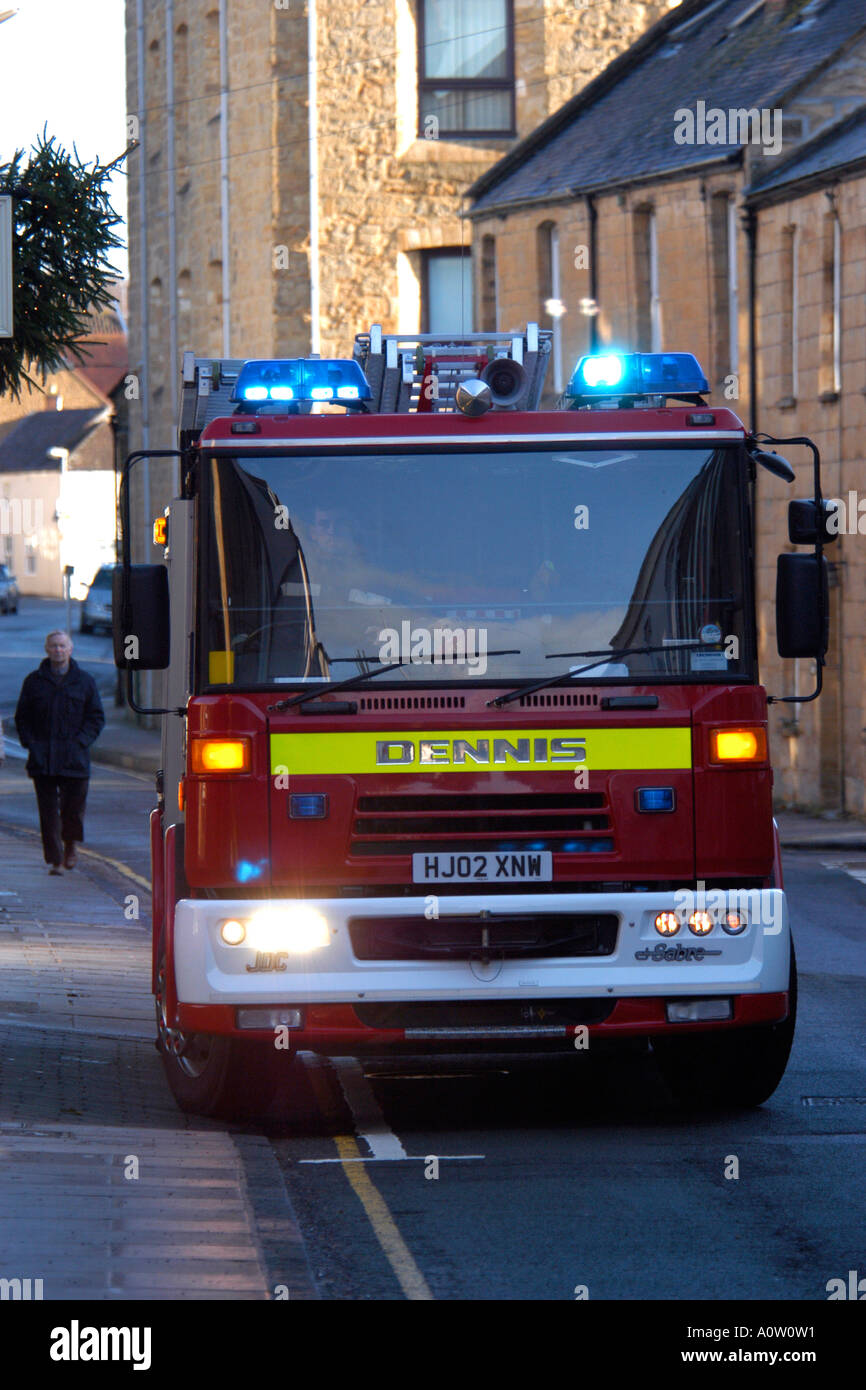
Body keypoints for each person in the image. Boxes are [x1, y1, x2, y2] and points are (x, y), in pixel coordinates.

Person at [14, 630, 105, 874]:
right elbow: (22, 717)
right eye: (54, 646)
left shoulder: (85, 681)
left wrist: (81, 742)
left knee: (72, 809)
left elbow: (96, 717)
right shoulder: (34, 681)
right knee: (48, 811)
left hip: (75, 758)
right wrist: (31, 743)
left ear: (71, 649)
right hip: (42, 759)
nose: (58, 650)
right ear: (47, 649)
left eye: (62, 646)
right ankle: (54, 859)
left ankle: (70, 846)